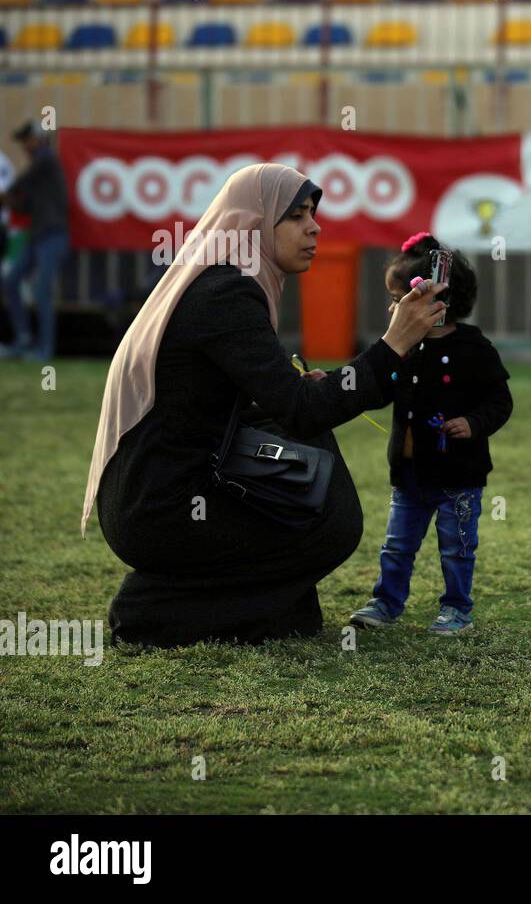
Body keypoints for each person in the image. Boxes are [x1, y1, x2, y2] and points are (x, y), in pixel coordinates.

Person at [83, 163, 446, 648]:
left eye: (313, 214)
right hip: (161, 511)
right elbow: (303, 409)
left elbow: (293, 403)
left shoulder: (227, 283)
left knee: (309, 466)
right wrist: (391, 344)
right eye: (296, 216)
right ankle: (153, 607)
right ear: (253, 222)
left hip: (158, 494)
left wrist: (391, 356)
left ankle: (262, 605)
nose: (315, 227)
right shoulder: (226, 295)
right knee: (330, 520)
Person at [349, 232, 513, 636]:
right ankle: (386, 602)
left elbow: (499, 402)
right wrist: (336, 384)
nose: (392, 308)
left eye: (398, 298)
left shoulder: (476, 349)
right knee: (397, 546)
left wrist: (473, 423)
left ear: (434, 299)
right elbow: (379, 390)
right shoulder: (404, 349)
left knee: (457, 548)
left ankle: (456, 609)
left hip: (459, 476)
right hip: (409, 475)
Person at [0, 121, 69, 361]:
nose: (24, 146)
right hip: (39, 236)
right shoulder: (38, 169)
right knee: (10, 282)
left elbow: (21, 183)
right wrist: (9, 201)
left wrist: (6, 194)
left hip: (53, 236)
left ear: (36, 139)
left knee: (41, 293)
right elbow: (25, 205)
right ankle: (23, 341)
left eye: (26, 140)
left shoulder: (46, 159)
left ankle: (44, 350)